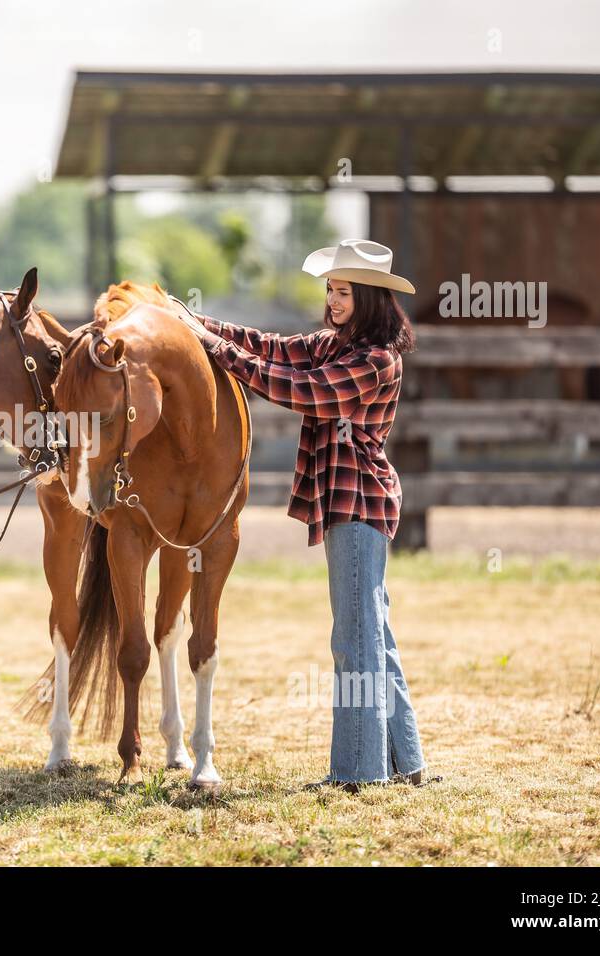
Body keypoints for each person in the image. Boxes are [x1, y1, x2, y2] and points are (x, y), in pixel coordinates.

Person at [178, 239, 439, 793]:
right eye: (331, 289)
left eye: (343, 292)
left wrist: (217, 351)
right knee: (374, 633)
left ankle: (359, 772)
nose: (333, 299)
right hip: (352, 501)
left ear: (369, 298)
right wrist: (193, 322)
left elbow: (301, 391)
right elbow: (270, 346)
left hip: (357, 502)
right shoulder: (335, 345)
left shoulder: (373, 361)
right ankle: (405, 761)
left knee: (354, 640)